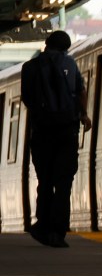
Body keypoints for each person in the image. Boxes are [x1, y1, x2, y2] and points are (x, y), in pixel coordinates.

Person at [21, 30, 92, 248]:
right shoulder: (70, 64)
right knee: (64, 184)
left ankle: (42, 225)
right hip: (66, 132)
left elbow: (27, 99)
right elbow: (81, 91)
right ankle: (58, 232)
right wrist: (83, 115)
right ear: (66, 47)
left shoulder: (29, 67)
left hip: (42, 133)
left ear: (46, 43)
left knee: (45, 181)